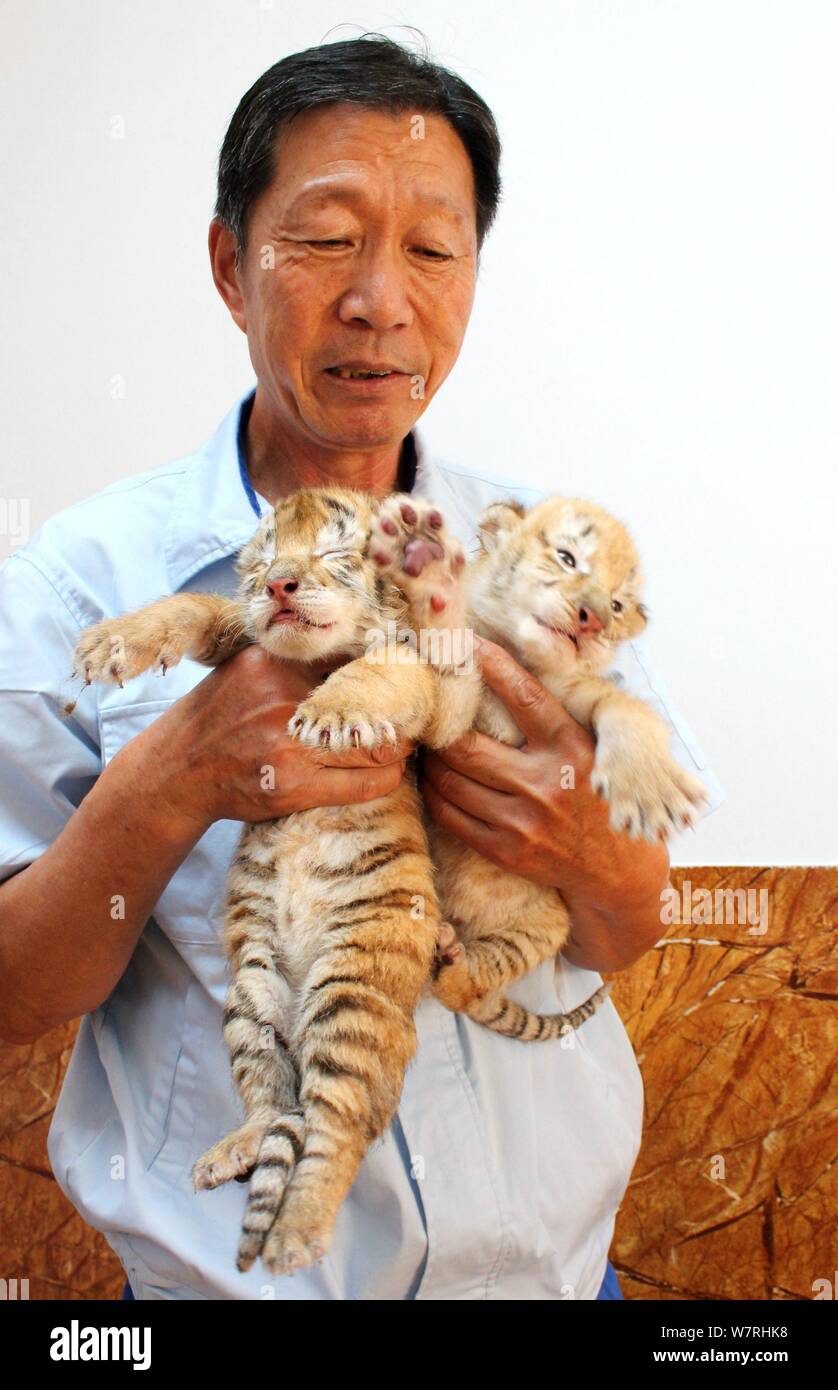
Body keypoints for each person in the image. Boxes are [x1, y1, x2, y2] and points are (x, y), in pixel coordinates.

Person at [0, 36, 723, 1300]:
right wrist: (170, 781)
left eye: (433, 251)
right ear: (232, 265)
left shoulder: (538, 558)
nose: (381, 300)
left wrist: (581, 847)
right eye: (326, 238)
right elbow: (11, 992)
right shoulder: (86, 581)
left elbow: (631, 922)